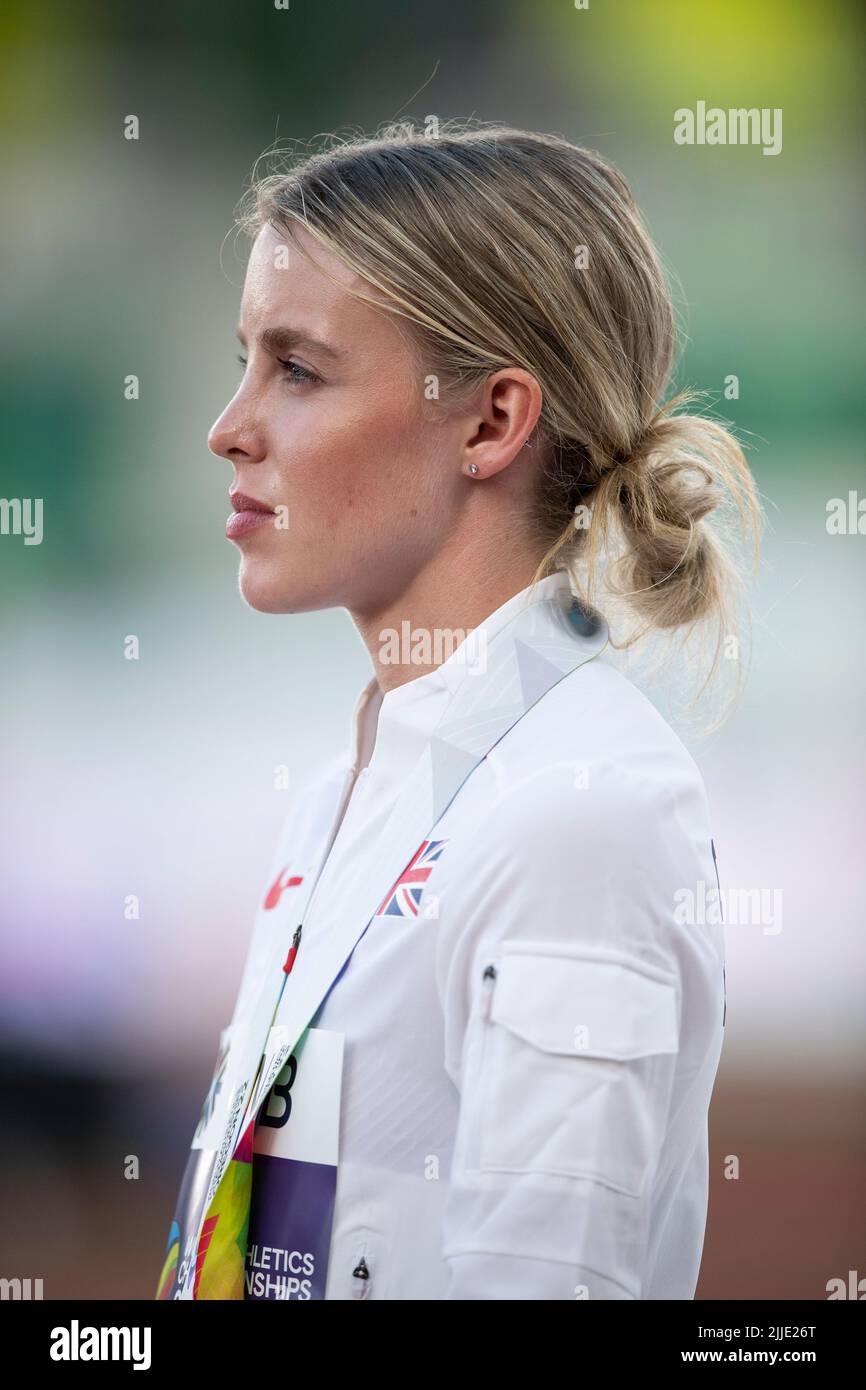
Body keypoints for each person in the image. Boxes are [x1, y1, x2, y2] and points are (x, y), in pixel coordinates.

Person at [155, 121, 761, 1302]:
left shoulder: (577, 809)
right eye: (245, 360)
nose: (227, 427)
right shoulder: (348, 791)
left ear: (488, 421)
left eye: (297, 368)